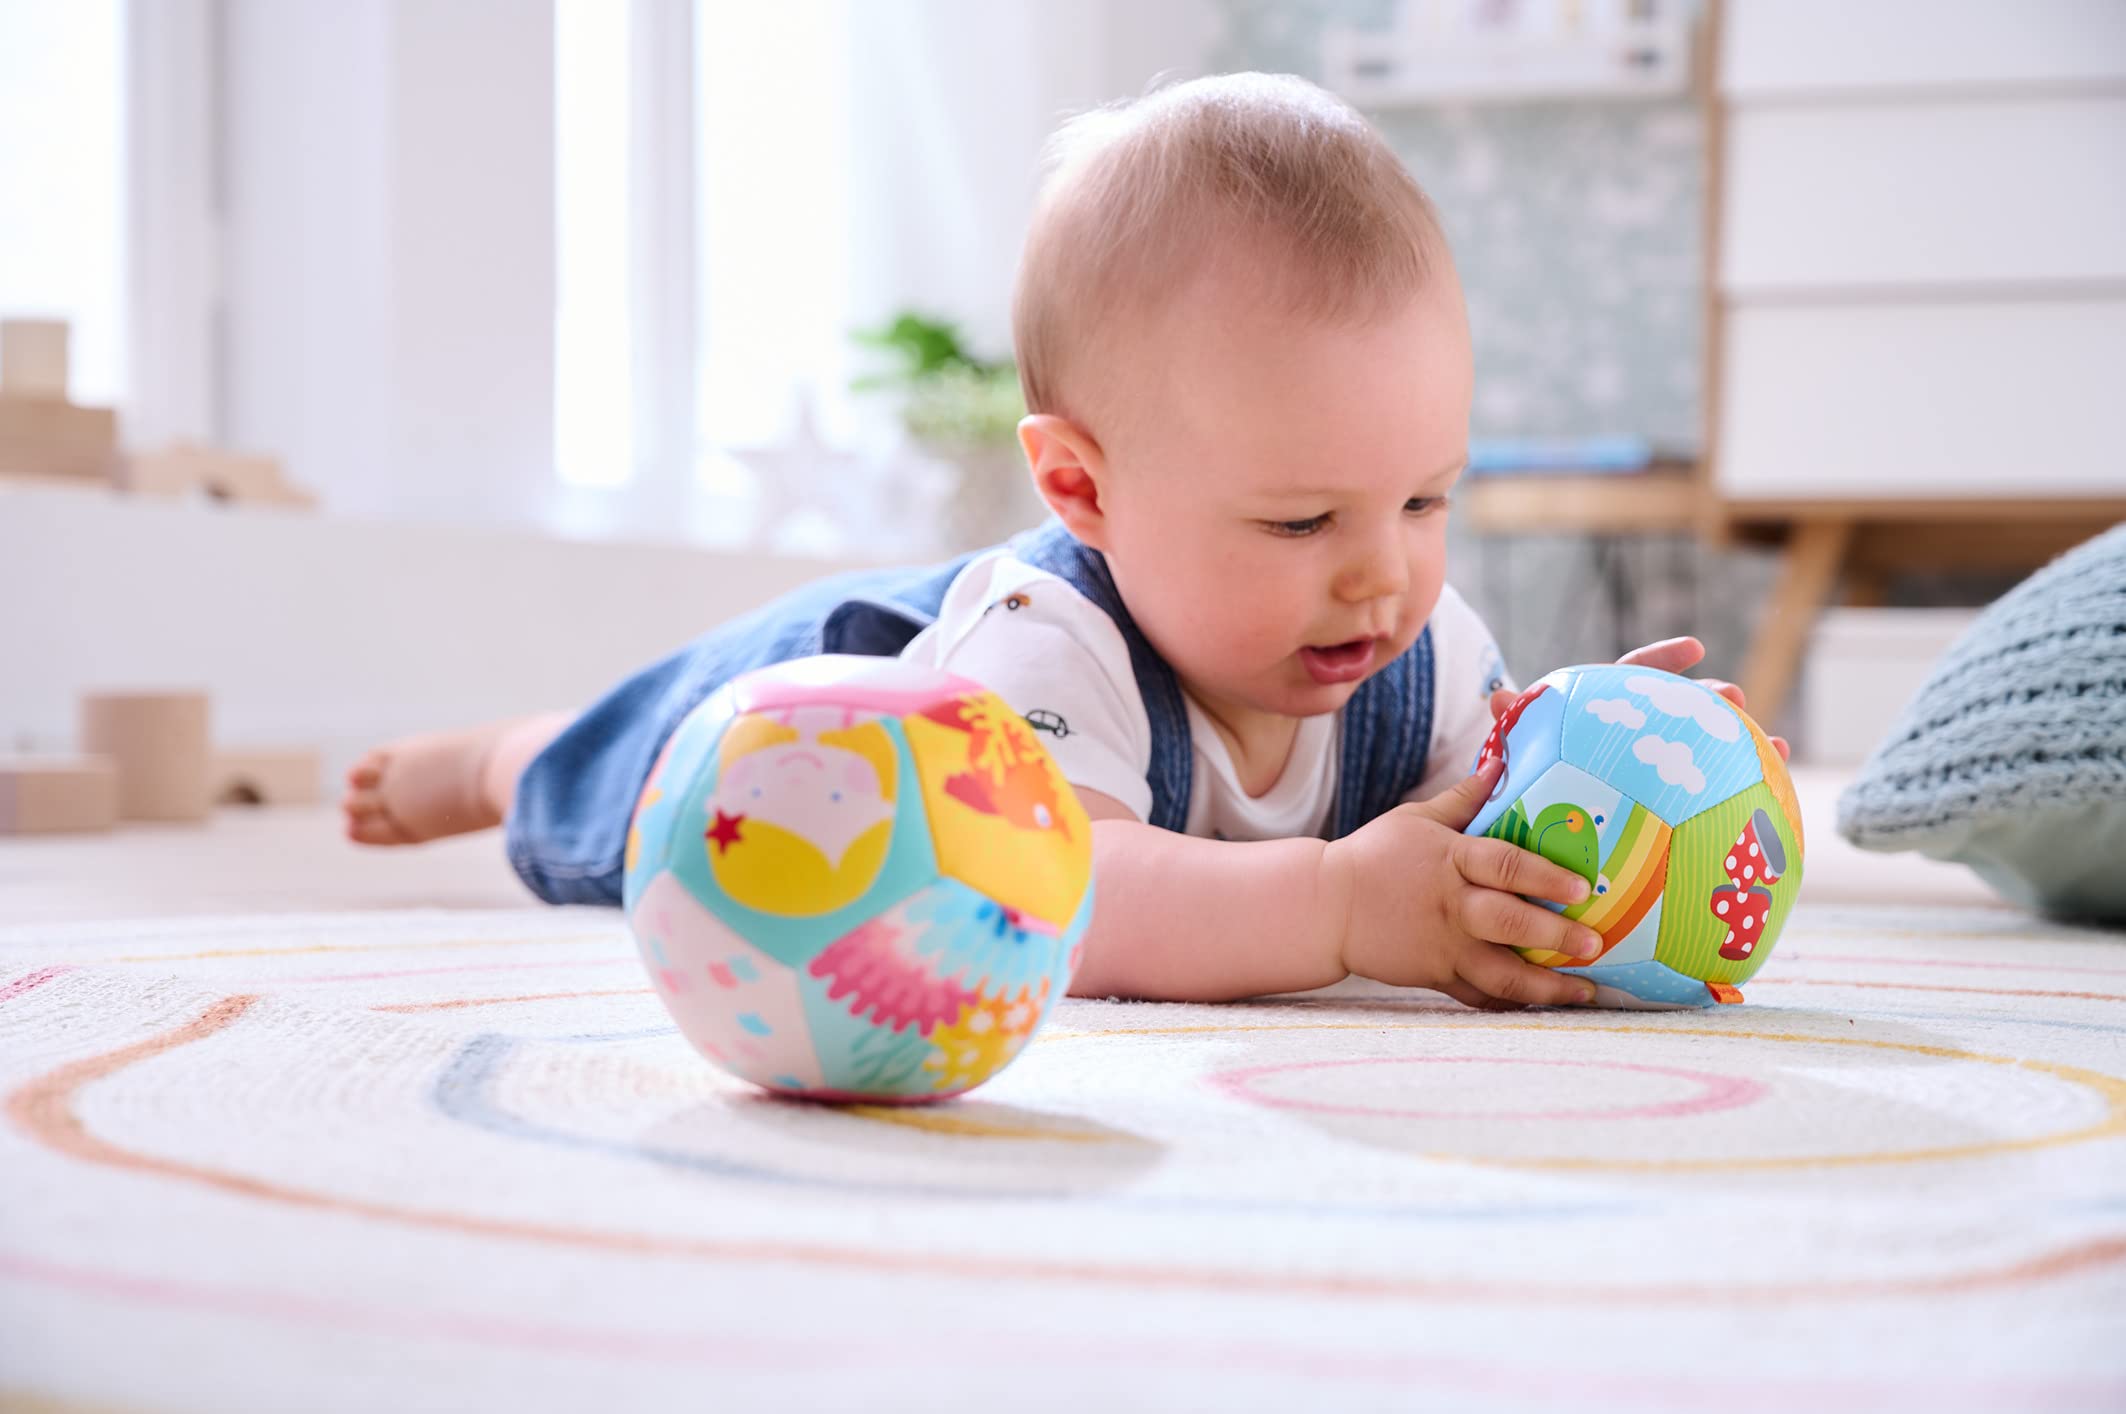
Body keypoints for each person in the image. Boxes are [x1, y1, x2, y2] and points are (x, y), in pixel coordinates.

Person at [343, 73, 1782, 1009]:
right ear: (1081, 490)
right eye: (1299, 518)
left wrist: (1578, 745)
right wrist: (1339, 902)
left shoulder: (1416, 638)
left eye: (1421, 498)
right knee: (629, 791)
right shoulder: (1041, 648)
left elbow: (1466, 802)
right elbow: (1057, 895)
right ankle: (501, 757)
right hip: (829, 721)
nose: (1380, 571)